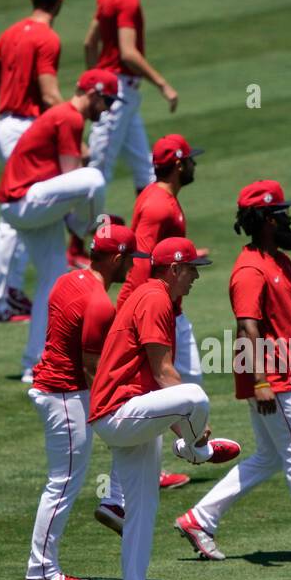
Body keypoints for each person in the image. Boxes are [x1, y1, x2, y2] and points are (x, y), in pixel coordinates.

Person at [175, 180, 291, 561]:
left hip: (283, 377)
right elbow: (247, 327)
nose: (288, 217)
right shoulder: (249, 270)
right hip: (274, 381)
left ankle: (199, 518)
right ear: (267, 219)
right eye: (281, 211)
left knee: (270, 457)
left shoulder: (280, 261)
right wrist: (261, 380)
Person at [88, 238, 241, 580]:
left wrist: (179, 424)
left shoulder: (154, 297)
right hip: (118, 413)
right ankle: (196, 452)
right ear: (173, 269)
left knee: (141, 514)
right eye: (191, 270)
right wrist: (191, 430)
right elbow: (164, 373)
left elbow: (157, 384)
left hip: (128, 414)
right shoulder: (155, 297)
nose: (194, 278)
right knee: (193, 394)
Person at [24, 223, 146, 580]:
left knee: (63, 481)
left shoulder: (67, 280)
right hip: (65, 394)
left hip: (55, 389)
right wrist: (113, 408)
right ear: (118, 258)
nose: (132, 267)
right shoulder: (99, 303)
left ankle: (43, 567)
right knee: (62, 483)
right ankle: (41, 572)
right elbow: (93, 368)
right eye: (130, 259)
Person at [95, 133, 203, 517]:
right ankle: (123, 491)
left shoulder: (160, 198)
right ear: (177, 164)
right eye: (190, 159)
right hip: (155, 313)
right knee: (175, 390)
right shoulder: (158, 203)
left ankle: (128, 488)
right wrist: (137, 313)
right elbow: (140, 262)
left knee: (174, 391)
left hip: (162, 310)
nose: (194, 165)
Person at [0, 69, 118, 382]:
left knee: (52, 280)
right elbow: (71, 175)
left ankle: (32, 363)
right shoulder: (70, 117)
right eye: (106, 101)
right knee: (93, 178)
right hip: (22, 201)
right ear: (93, 93)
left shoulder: (65, 116)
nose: (106, 109)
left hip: (27, 205)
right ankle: (84, 233)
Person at [0, 0, 68, 325]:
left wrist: (15, 88)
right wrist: (70, 120)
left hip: (3, 126)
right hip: (27, 132)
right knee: (18, 211)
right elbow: (48, 93)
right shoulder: (47, 38)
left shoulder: (11, 32)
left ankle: (1, 295)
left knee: (19, 209)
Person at [82, 0, 178, 192]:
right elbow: (128, 53)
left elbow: (90, 43)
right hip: (119, 93)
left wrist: (95, 82)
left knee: (145, 171)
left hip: (120, 94)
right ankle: (80, 232)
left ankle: (148, 231)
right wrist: (163, 84)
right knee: (97, 173)